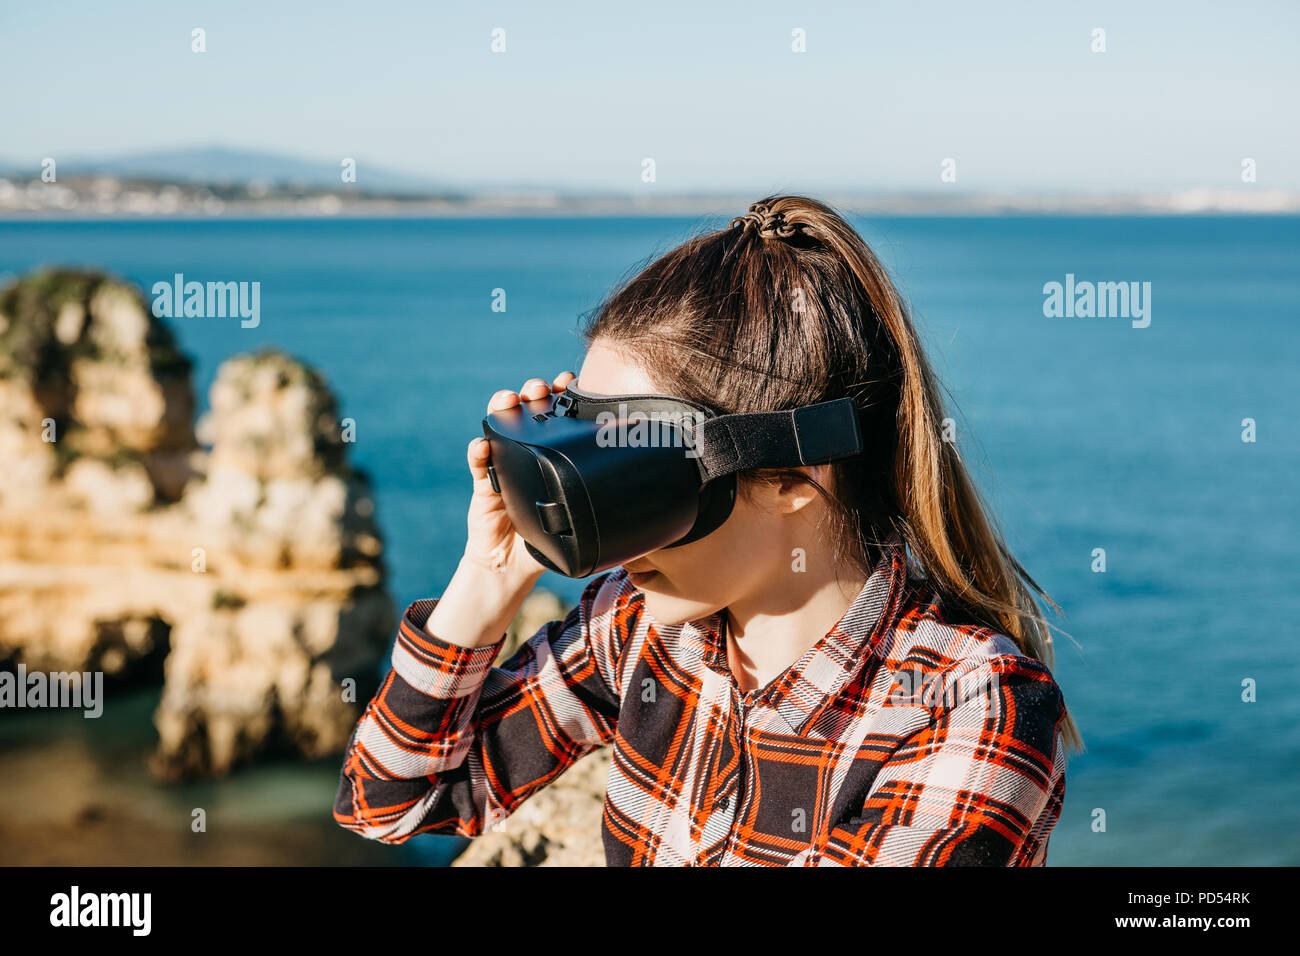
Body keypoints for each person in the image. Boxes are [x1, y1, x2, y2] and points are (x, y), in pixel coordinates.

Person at [334, 195, 1081, 866]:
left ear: (793, 472)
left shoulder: (968, 708)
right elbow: (392, 802)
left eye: (634, 471)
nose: (615, 535)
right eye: (589, 448)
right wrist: (488, 579)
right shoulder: (637, 629)